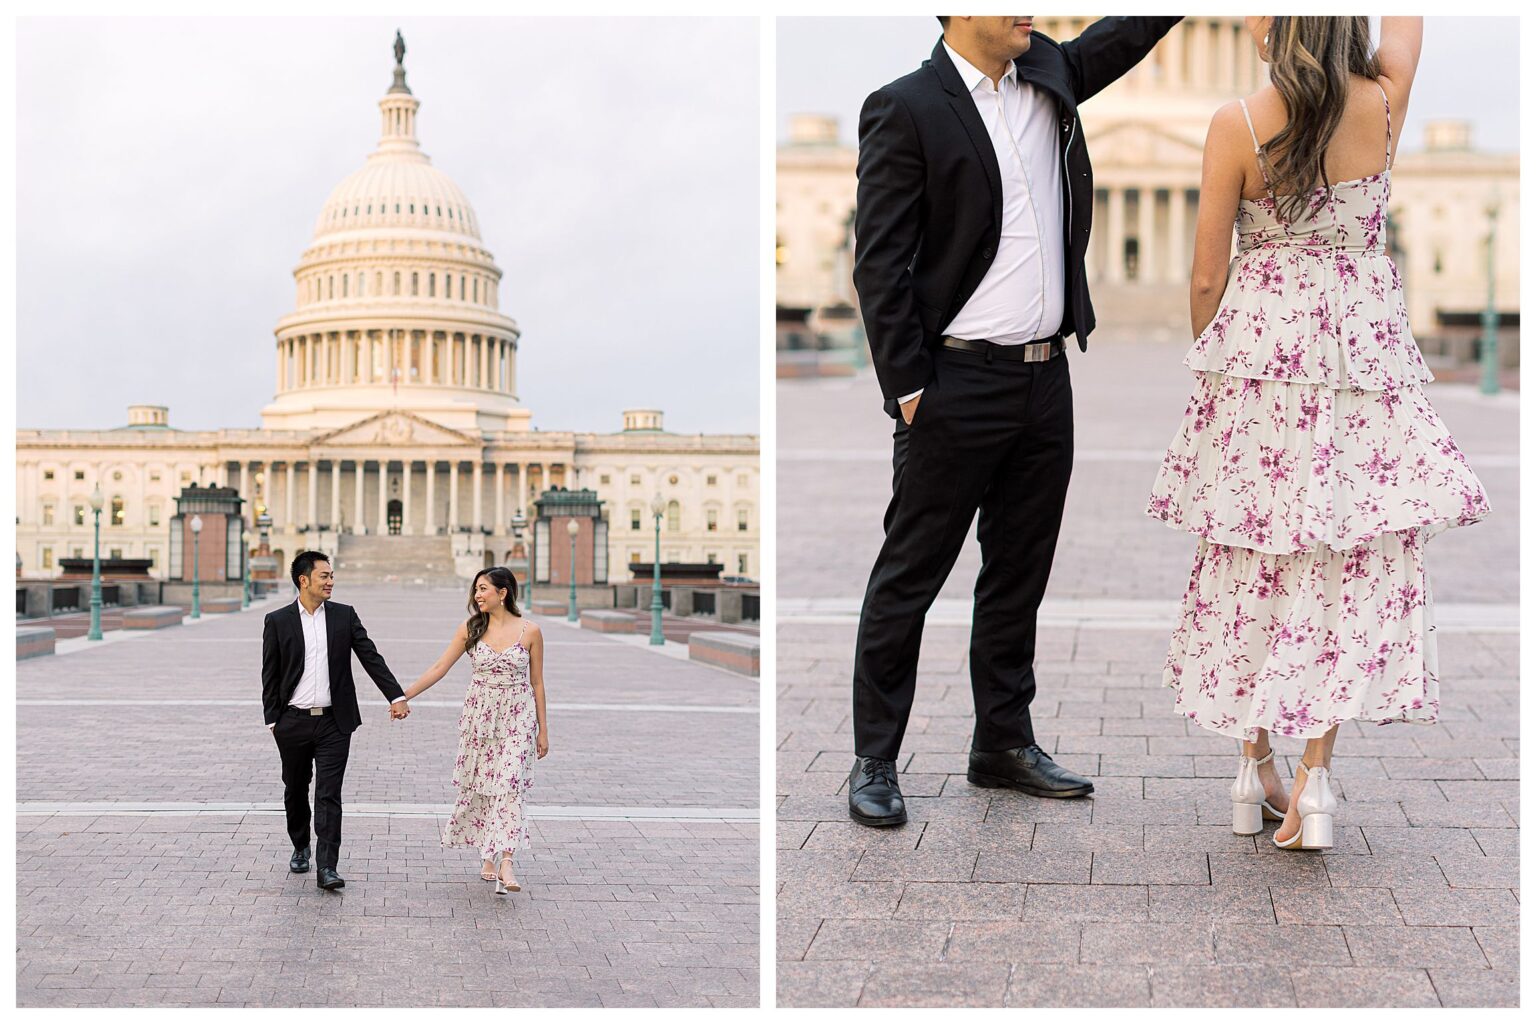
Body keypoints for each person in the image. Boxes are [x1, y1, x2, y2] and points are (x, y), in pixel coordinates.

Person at [1147, 16, 1489, 849]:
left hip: (1260, 372)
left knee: (1251, 559)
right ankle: (1314, 782)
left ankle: (1248, 765)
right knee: (1344, 565)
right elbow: (1409, 29)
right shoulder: (1382, 105)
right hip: (1356, 372)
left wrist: (1215, 360)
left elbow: (1204, 274)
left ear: (1278, 31)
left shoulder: (1236, 122)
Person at [847, 15, 1180, 827]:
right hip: (955, 381)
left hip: (1043, 380)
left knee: (1017, 574)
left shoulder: (1050, 79)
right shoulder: (905, 106)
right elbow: (879, 261)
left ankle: (1002, 742)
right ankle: (874, 761)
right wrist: (911, 389)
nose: (1030, 10)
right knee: (910, 576)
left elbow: (1122, 37)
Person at [261, 551, 409, 889]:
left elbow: (370, 656)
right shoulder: (278, 620)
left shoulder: (344, 616)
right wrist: (274, 720)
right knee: (295, 789)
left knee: (329, 794)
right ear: (304, 580)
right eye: (324, 576)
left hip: (334, 722)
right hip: (292, 722)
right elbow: (269, 673)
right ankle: (300, 844)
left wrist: (396, 695)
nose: (331, 581)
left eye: (331, 575)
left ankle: (327, 866)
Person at [400, 566, 548, 894]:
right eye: (476, 590)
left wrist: (542, 730)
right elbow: (440, 667)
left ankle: (507, 861)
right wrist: (402, 694)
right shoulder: (472, 628)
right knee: (483, 787)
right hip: (480, 721)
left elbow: (537, 682)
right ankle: (487, 853)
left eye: (483, 589)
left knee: (509, 787)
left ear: (503, 592)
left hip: (518, 719)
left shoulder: (531, 631)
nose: (477, 595)